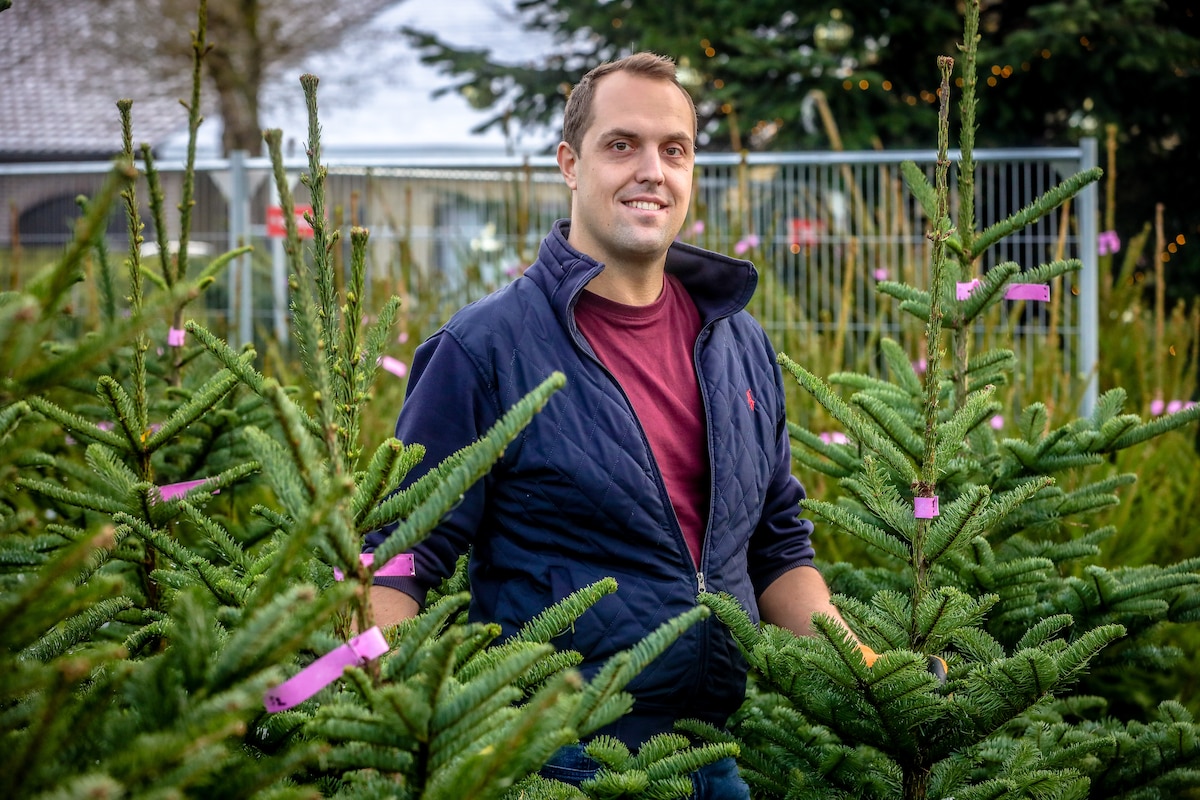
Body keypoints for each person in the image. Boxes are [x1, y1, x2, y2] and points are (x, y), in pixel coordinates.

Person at [364, 51, 857, 799]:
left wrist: (871, 676)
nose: (651, 170)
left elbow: (776, 547)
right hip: (553, 765)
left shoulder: (736, 341)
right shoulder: (486, 348)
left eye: (674, 149)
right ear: (570, 163)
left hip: (709, 760)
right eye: (621, 145)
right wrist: (401, 719)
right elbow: (399, 558)